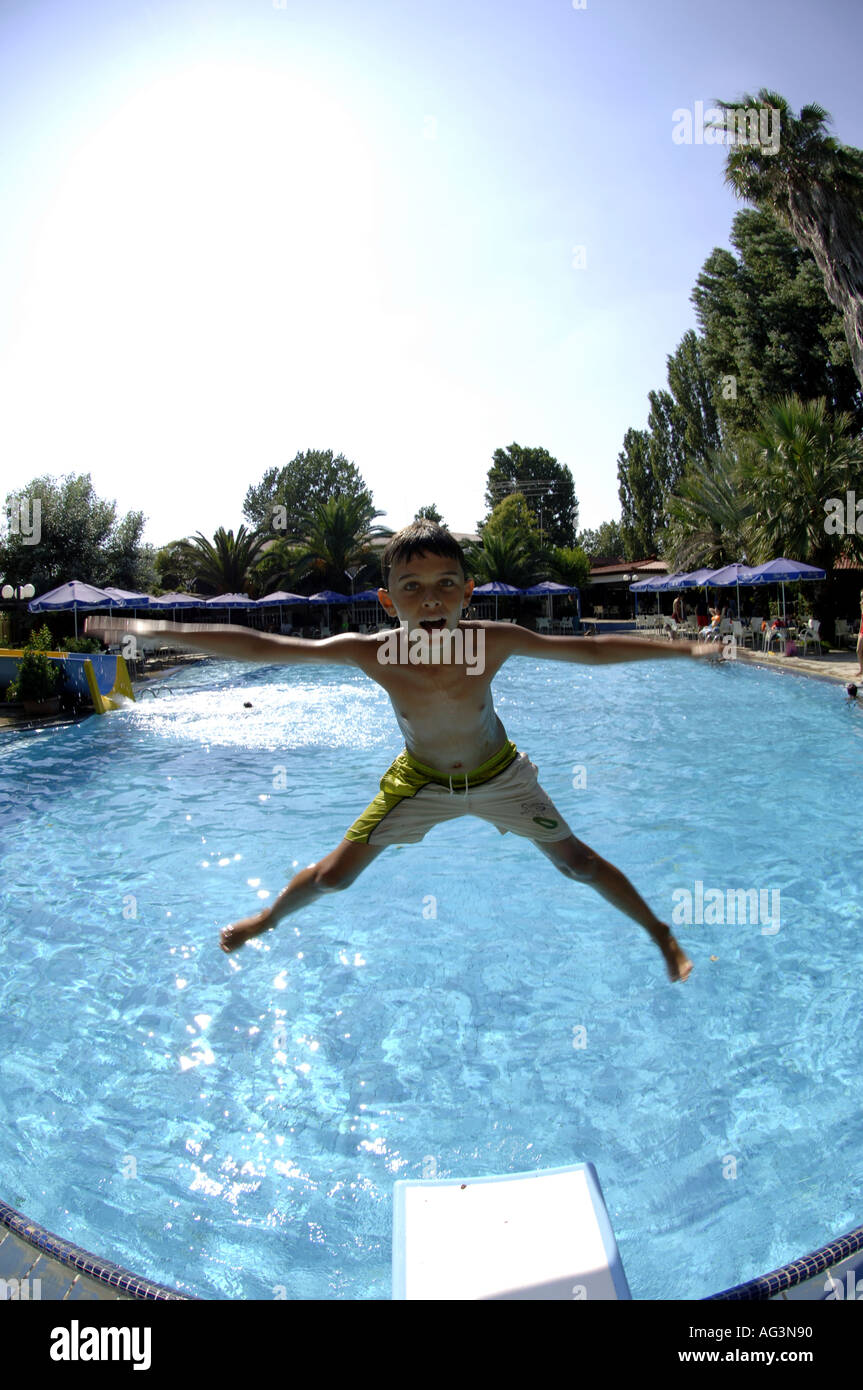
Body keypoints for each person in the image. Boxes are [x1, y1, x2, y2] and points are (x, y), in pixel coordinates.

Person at [86, 522, 719, 983]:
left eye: (446, 585)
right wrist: (153, 628)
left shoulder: (492, 641)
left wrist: (684, 648)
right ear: (387, 601)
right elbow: (263, 647)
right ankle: (266, 919)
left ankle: (659, 933)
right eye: (411, 588)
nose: (431, 599)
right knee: (335, 877)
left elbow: (592, 651)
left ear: (469, 591)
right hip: (419, 782)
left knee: (577, 864)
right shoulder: (374, 652)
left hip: (500, 776)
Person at [856, 589, 863, 677]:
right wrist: (859, 632)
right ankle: (861, 669)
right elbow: (862, 619)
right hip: (862, 631)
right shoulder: (862, 606)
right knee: (858, 650)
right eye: (861, 596)